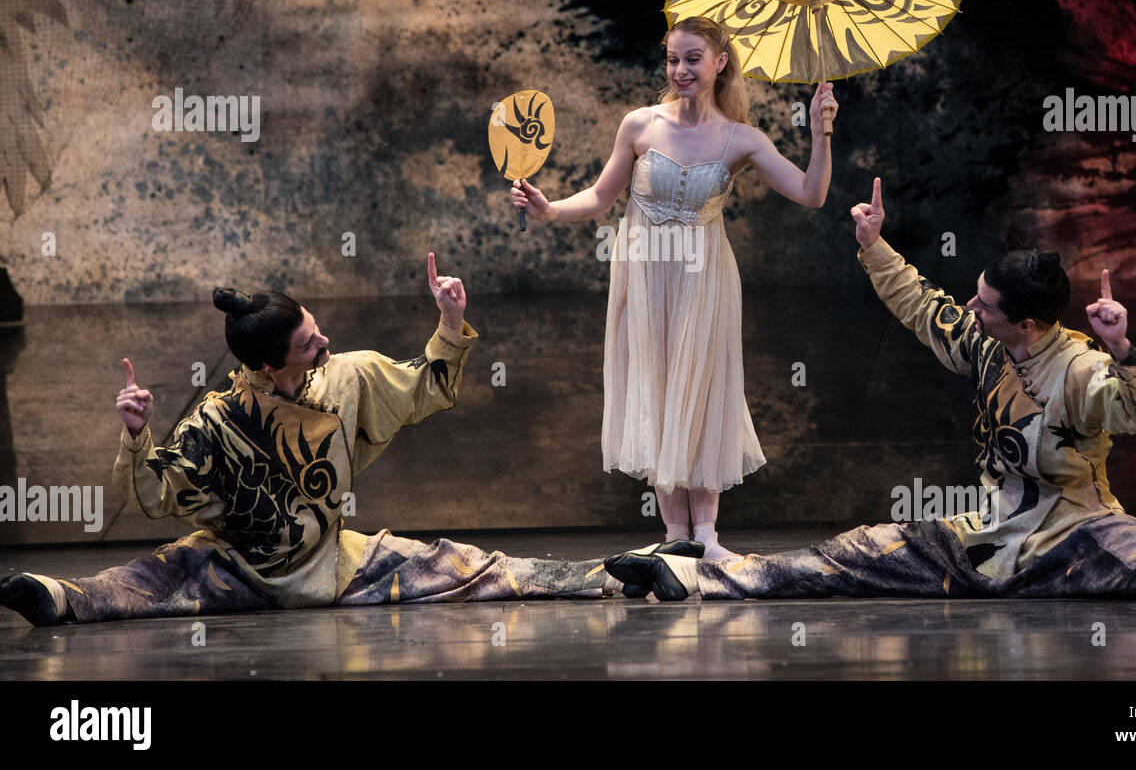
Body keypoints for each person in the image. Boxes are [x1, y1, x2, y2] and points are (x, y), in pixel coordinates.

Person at [603, 179, 1136, 604]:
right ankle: (703, 578)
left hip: (1071, 528)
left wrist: (1121, 349)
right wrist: (873, 245)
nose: (971, 305)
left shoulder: (1077, 368)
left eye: (985, 302)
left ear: (1026, 321)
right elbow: (920, 303)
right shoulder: (988, 343)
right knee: (861, 552)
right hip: (987, 532)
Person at [0, 253, 650, 626]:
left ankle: (617, 575)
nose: (325, 345)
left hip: (332, 562)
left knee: (467, 565)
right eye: (310, 344)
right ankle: (63, 597)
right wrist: (137, 435)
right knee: (155, 571)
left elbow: (427, 386)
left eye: (317, 331)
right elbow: (155, 494)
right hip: (242, 570)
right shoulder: (216, 420)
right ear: (266, 367)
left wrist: (451, 321)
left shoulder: (350, 377)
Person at [511, 15, 837, 560]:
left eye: (692, 58)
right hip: (643, 275)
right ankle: (675, 538)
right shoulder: (639, 125)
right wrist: (549, 211)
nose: (680, 69)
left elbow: (811, 193)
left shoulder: (742, 138)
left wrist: (821, 133)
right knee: (655, 388)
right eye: (672, 59)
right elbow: (599, 197)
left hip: (703, 280)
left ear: (719, 62)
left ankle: (706, 538)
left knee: (702, 390)